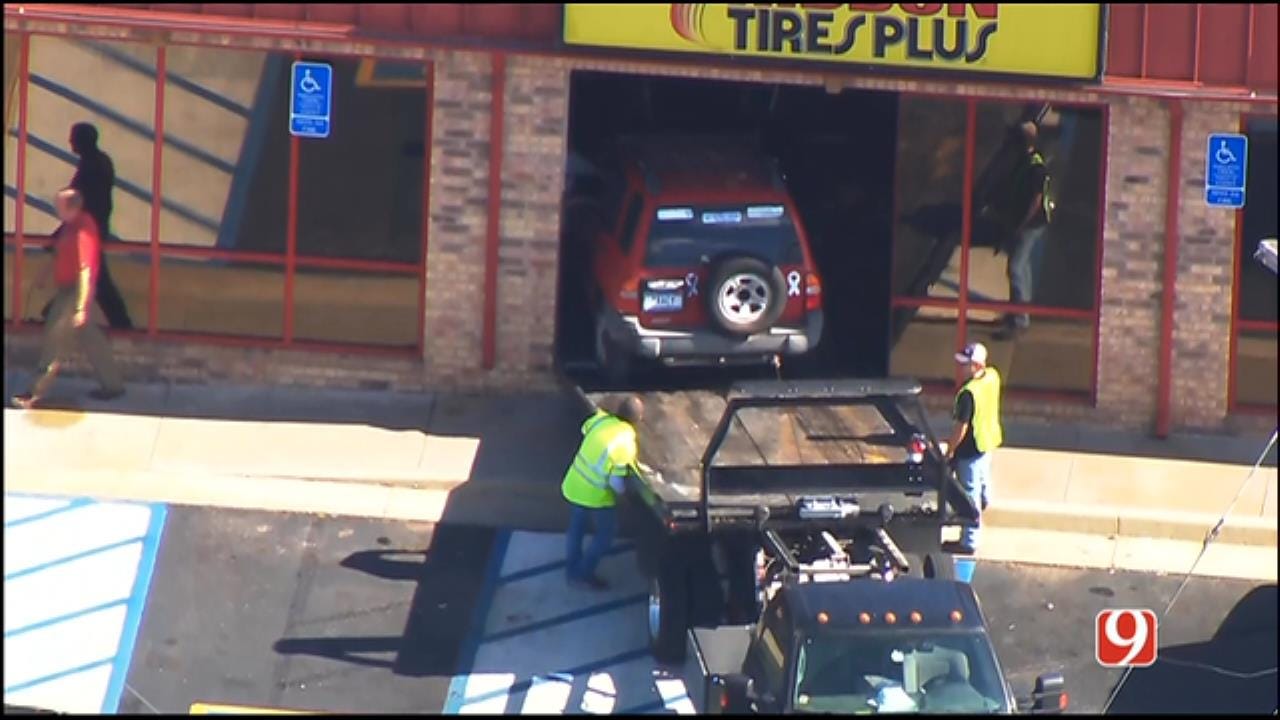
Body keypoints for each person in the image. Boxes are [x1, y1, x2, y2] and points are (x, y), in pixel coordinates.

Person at [12, 188, 126, 409]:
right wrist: (44, 274)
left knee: (54, 338)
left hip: (74, 292)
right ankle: (113, 386)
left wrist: (81, 307)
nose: (56, 209)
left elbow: (85, 271)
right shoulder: (70, 227)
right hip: (67, 288)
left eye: (59, 206)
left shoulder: (83, 231)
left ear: (71, 207)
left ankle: (34, 392)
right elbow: (58, 253)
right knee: (92, 339)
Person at [561, 395, 644, 590]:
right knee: (605, 535)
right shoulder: (625, 444)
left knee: (576, 529)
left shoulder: (601, 420)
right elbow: (616, 482)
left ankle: (571, 569)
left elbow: (585, 428)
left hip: (574, 483)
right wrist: (626, 496)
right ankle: (582, 573)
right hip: (595, 495)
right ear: (637, 420)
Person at [987, 121, 1052, 340]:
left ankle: (1020, 320)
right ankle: (1018, 312)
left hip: (1030, 225)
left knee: (1015, 268)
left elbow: (1035, 200)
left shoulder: (1035, 166)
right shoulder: (1025, 161)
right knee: (1022, 267)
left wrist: (1020, 225)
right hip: (1025, 223)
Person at [68, 122, 133, 330]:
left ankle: (122, 323)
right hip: (93, 229)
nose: (70, 142)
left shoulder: (92, 165)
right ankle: (121, 322)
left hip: (89, 231)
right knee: (92, 277)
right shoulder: (98, 162)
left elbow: (83, 200)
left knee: (93, 278)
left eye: (74, 137)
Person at [944, 342, 1003, 555]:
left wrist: (949, 450)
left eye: (965, 364)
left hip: (970, 449)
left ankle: (969, 542)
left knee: (969, 496)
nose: (961, 368)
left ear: (976, 365)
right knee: (982, 482)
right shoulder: (992, 377)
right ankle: (985, 499)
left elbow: (961, 428)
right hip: (987, 442)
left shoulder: (968, 393)